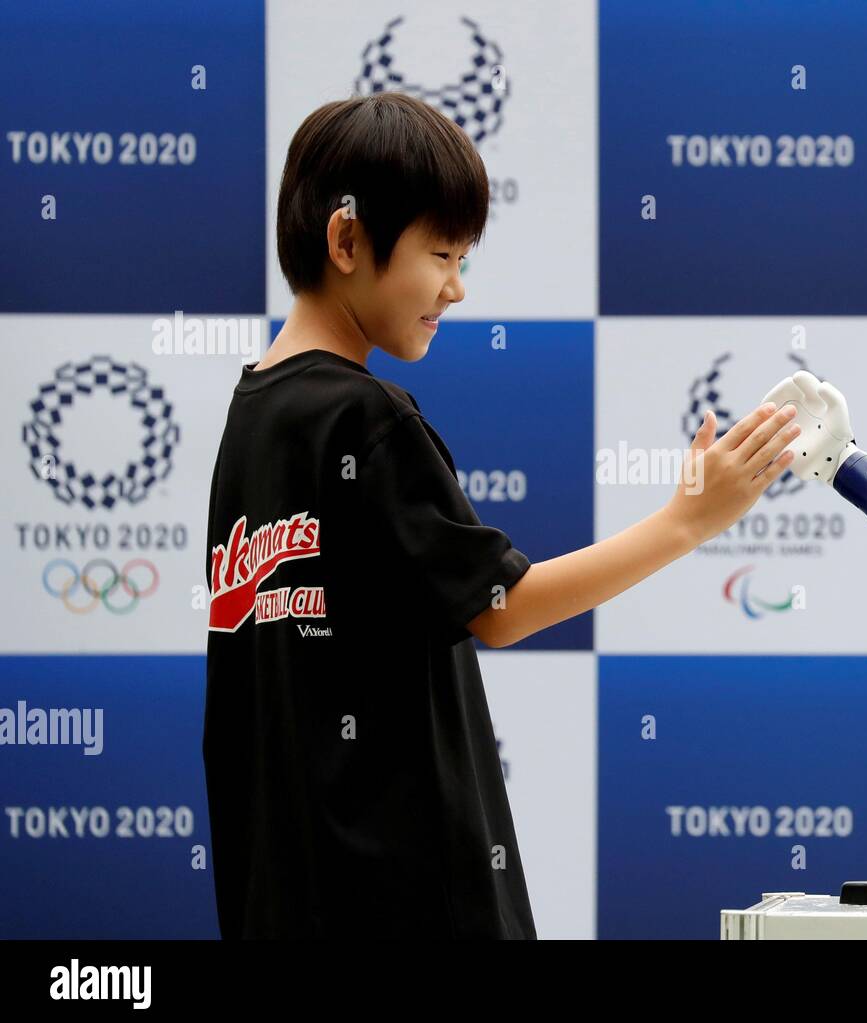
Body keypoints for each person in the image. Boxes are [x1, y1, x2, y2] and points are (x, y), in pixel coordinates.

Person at [202, 92, 800, 939]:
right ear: (345, 240)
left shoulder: (251, 415)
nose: (456, 286)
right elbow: (503, 607)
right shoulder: (368, 417)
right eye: (441, 252)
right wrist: (688, 522)